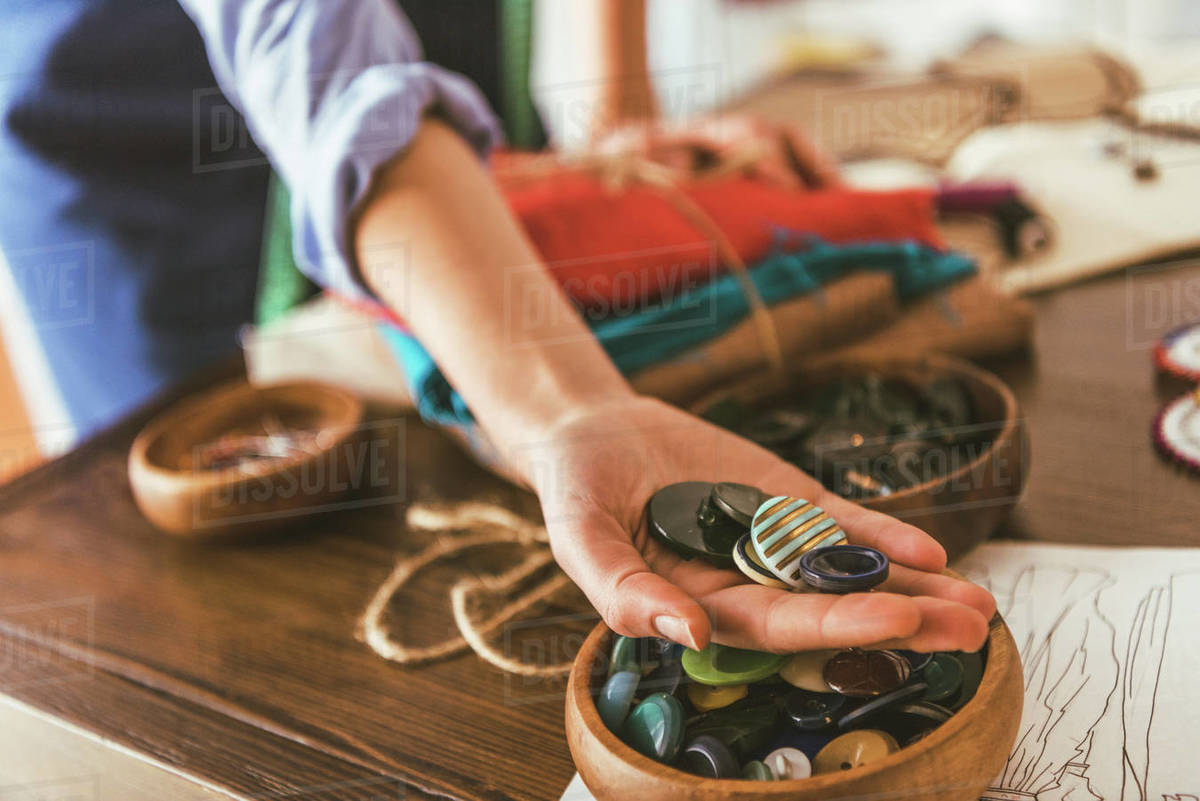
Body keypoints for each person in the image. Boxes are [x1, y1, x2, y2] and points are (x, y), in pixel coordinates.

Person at [1, 0, 995, 654]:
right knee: (204, 574)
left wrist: (615, 123)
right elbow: (338, 73)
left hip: (424, 97)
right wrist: (568, 408)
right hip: (133, 138)